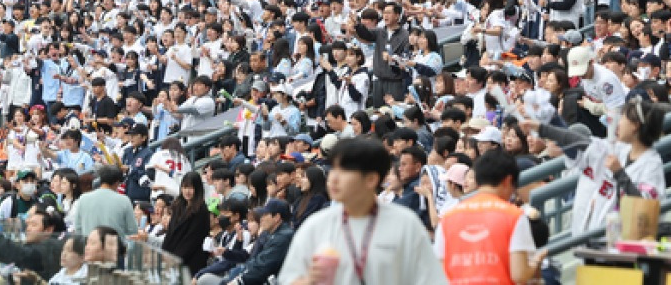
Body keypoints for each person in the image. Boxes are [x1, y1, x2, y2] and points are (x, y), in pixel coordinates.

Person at [277, 138, 448, 285]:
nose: (333, 179)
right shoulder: (316, 225)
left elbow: (430, 279)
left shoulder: (405, 224)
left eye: (344, 171)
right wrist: (310, 280)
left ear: (371, 179)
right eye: (333, 169)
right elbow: (288, 278)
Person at [527, 98, 667, 236]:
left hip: (626, 244)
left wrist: (619, 173)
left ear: (635, 125)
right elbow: (579, 143)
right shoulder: (620, 149)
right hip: (593, 237)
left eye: (623, 119)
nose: (618, 123)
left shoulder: (651, 164)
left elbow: (646, 207)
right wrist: (548, 124)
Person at [434, 150, 538, 285]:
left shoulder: (448, 218)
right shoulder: (514, 216)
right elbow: (519, 275)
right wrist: (536, 262)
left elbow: (439, 271)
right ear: (508, 181)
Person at [200, 198, 294, 285]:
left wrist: (238, 282)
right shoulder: (272, 235)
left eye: (265, 215)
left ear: (277, 217)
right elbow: (252, 260)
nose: (262, 218)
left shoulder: (282, 237)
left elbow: (262, 267)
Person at [0, 207, 66, 281]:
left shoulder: (50, 248)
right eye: (28, 225)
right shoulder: (32, 245)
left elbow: (19, 253)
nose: (28, 229)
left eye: (33, 225)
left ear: (48, 230)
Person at [162, 171, 212, 275]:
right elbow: (170, 233)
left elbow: (191, 240)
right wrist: (164, 255)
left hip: (190, 262)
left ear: (197, 189)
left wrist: (175, 260)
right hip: (173, 259)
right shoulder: (178, 206)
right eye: (184, 187)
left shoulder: (201, 210)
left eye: (191, 188)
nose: (187, 191)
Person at [72, 164, 137, 238]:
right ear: (117, 182)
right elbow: (132, 230)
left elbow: (78, 227)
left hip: (89, 245)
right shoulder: (124, 200)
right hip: (114, 246)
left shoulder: (83, 198)